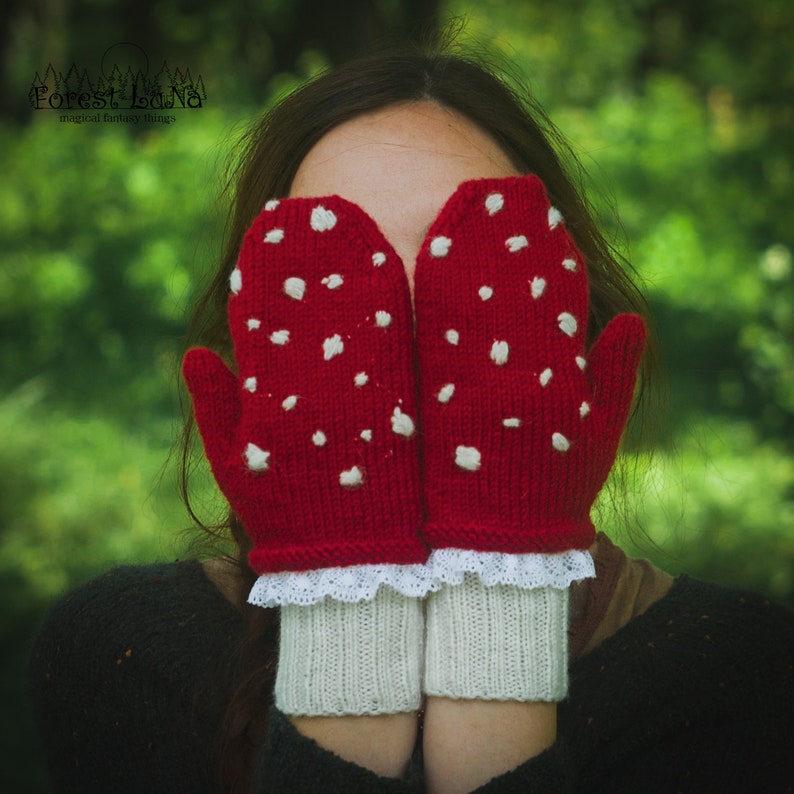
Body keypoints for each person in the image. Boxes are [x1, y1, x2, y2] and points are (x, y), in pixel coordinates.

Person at [30, 45, 794, 794]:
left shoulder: (734, 671)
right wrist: (345, 590)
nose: (392, 328)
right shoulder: (127, 651)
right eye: (335, 272)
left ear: (575, 323)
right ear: (251, 338)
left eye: (462, 263)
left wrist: (503, 589)